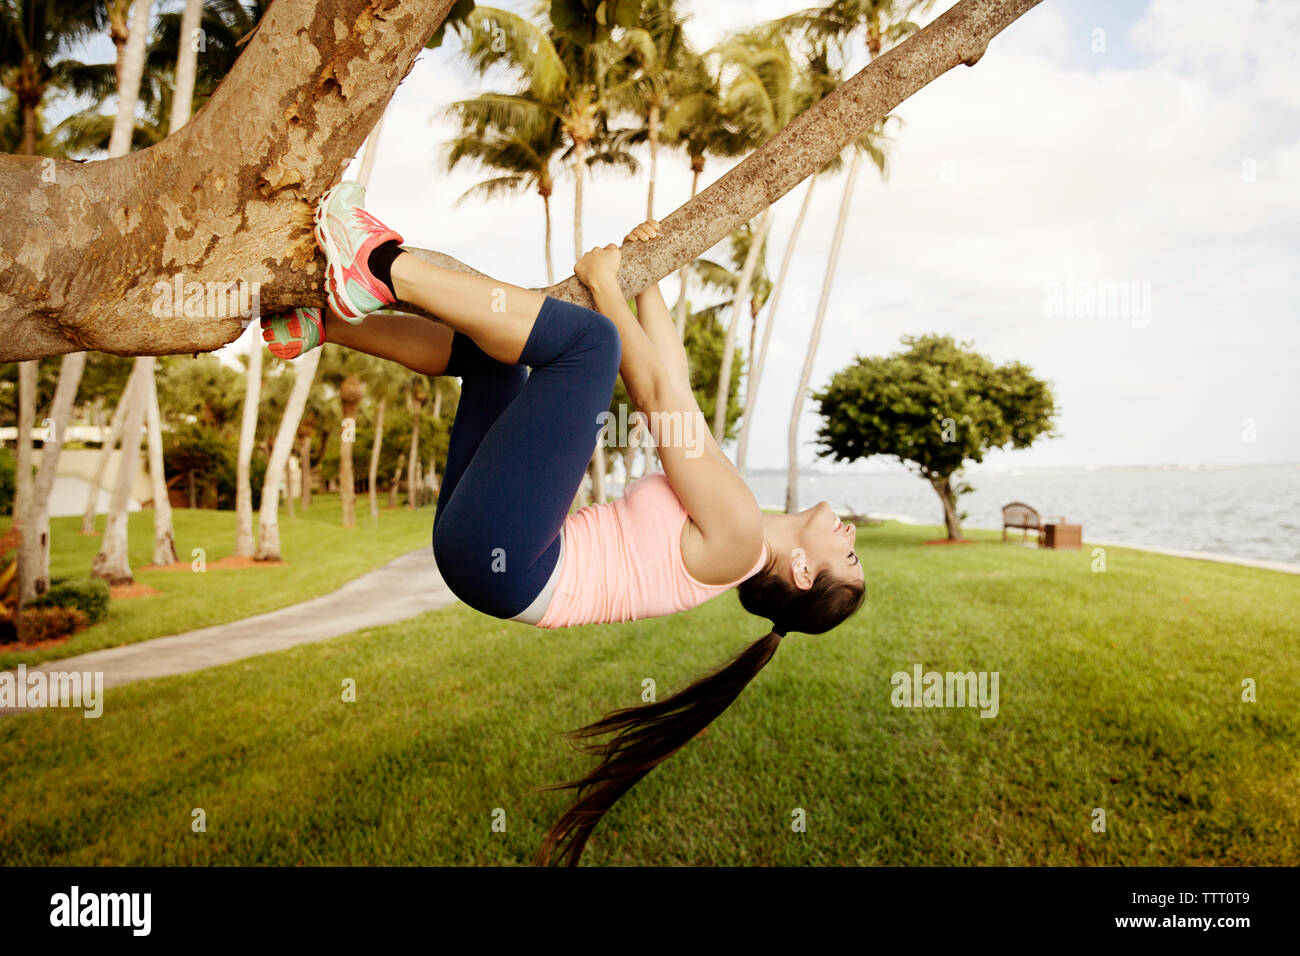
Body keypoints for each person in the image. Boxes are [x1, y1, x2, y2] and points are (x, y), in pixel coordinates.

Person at [261, 183, 866, 865]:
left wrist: (608, 289)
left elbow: (656, 398)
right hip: (488, 559)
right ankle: (322, 324)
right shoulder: (740, 524)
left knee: (585, 343)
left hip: (509, 561)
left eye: (849, 559)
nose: (851, 539)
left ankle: (378, 266)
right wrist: (649, 281)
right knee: (493, 359)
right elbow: (679, 389)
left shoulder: (740, 544)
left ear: (804, 573)